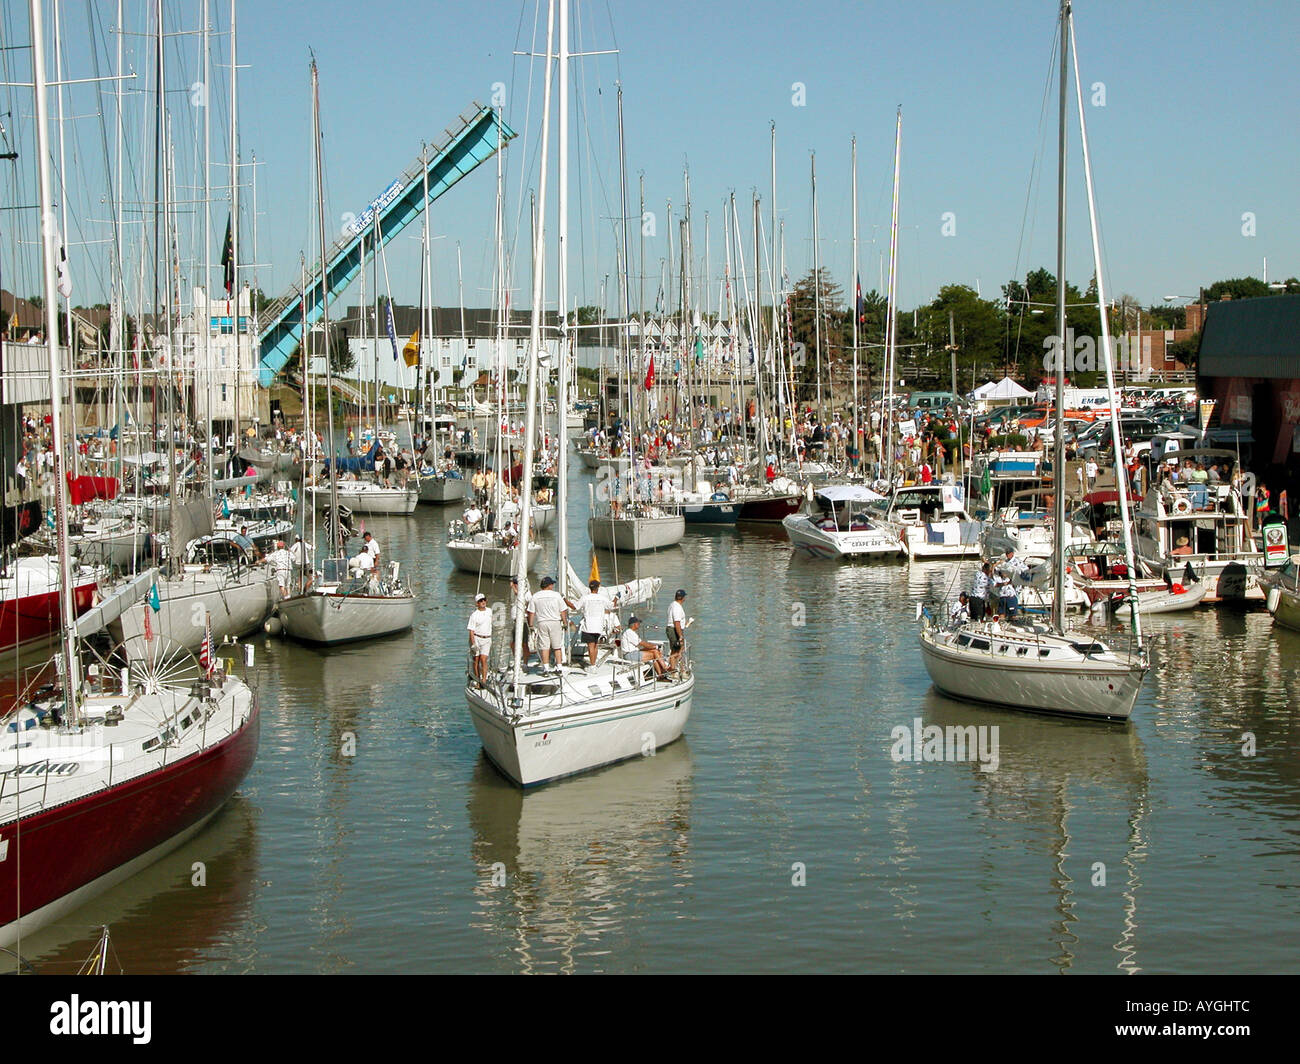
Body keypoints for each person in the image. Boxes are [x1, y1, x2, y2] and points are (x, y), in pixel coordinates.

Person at [572, 579, 618, 668]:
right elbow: (612, 605)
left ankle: (592, 665)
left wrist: (564, 600)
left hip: (588, 626)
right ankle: (593, 663)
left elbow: (575, 607)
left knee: (590, 645)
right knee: (595, 645)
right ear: (598, 588)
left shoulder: (585, 598)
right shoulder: (602, 598)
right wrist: (616, 597)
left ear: (590, 588)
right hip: (598, 626)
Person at [527, 576, 569, 672]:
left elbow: (531, 612)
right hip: (555, 622)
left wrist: (531, 625)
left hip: (542, 622)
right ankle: (559, 666)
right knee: (557, 646)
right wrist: (565, 623)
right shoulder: (556, 595)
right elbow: (563, 610)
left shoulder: (535, 596)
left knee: (544, 646)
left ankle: (545, 667)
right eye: (552, 584)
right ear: (549, 585)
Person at [467, 593, 494, 684]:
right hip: (477, 638)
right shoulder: (474, 615)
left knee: (484, 659)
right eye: (480, 601)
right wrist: (473, 643)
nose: (483, 602)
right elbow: (471, 630)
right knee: (476, 660)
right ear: (477, 603)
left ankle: (484, 680)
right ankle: (478, 680)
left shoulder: (490, 611)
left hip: (487, 639)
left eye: (484, 600)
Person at [509, 576, 533, 665]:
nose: (514, 585)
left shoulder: (526, 593)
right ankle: (517, 660)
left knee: (524, 644)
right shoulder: (517, 592)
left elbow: (527, 601)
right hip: (516, 621)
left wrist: (513, 588)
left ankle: (525, 663)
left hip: (523, 621)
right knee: (513, 644)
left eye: (516, 584)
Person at [667, 588, 687, 672]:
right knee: (675, 651)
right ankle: (673, 670)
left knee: (679, 650)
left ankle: (680, 669)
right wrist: (680, 636)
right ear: (683, 598)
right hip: (674, 630)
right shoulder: (677, 607)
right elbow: (676, 623)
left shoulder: (672, 605)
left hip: (674, 629)